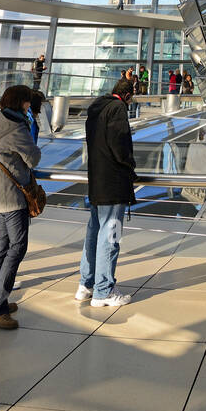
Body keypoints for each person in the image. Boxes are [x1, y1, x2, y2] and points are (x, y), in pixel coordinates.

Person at [74, 80, 136, 309]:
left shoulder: (96, 108)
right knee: (111, 236)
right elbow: (120, 144)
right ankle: (104, 291)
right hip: (114, 182)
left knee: (94, 233)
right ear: (127, 95)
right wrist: (130, 165)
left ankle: (86, 285)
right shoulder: (118, 109)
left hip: (97, 180)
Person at [0, 84, 41, 330]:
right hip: (13, 197)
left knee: (1, 247)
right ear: (21, 103)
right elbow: (34, 157)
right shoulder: (18, 128)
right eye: (27, 102)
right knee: (17, 247)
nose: (29, 106)